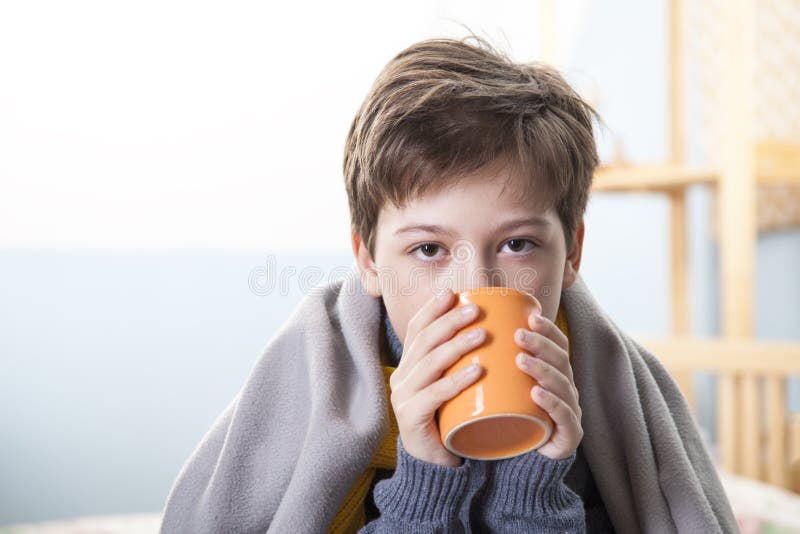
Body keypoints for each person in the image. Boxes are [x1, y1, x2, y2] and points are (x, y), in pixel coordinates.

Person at [160, 35, 738, 533]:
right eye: (428, 249)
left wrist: (540, 475)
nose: (474, 285)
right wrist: (422, 475)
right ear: (369, 261)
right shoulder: (315, 377)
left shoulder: (609, 388)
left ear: (573, 252)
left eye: (517, 244)